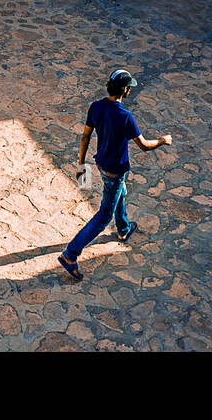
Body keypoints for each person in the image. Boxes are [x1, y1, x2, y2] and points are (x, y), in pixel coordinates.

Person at [58, 69, 172, 280]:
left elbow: (85, 138)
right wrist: (163, 140)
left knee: (121, 192)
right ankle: (70, 254)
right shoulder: (125, 117)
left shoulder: (96, 107)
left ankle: (124, 228)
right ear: (126, 91)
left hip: (101, 164)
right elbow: (145, 146)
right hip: (115, 170)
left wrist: (81, 164)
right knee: (103, 216)